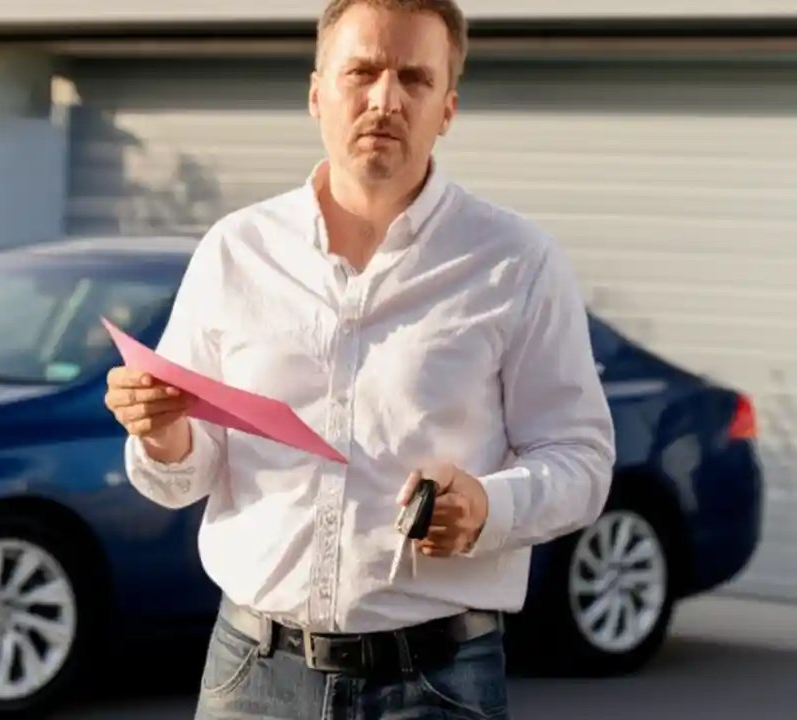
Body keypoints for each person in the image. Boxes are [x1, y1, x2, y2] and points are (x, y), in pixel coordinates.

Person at [102, 0, 616, 717]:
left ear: (447, 108)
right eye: (362, 71)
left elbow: (582, 460)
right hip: (251, 673)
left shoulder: (516, 262)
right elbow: (185, 475)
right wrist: (160, 433)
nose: (385, 98)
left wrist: (487, 507)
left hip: (437, 682)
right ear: (317, 94)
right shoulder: (236, 250)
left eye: (414, 78)